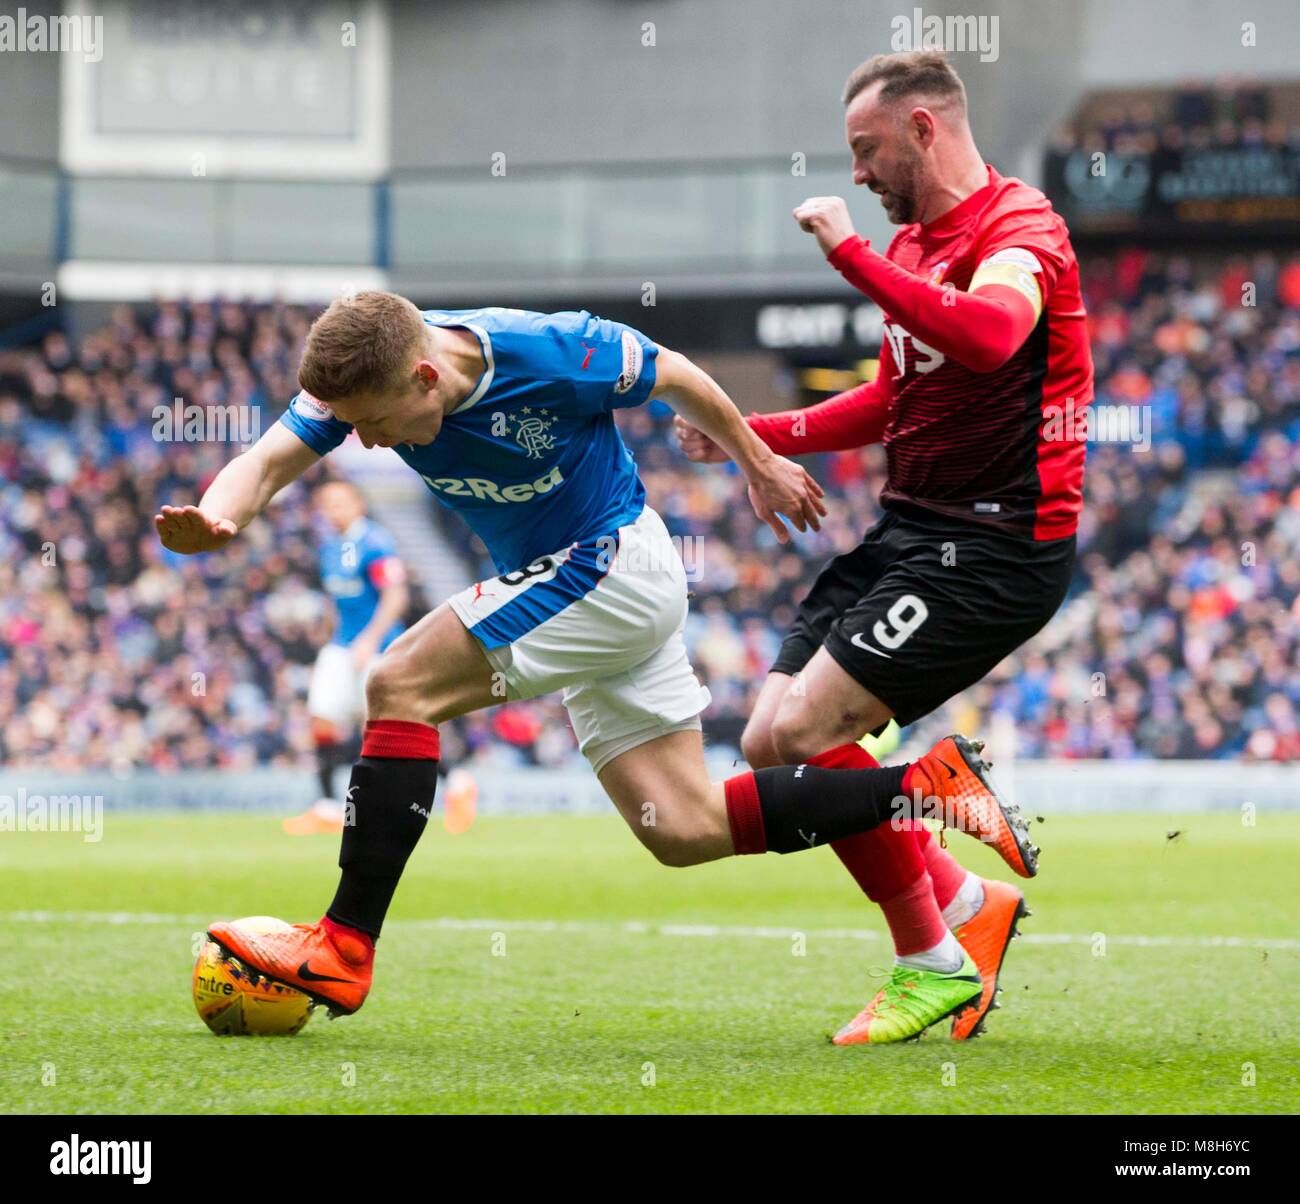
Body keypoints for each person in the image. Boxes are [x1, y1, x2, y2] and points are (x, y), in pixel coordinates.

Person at [155, 292, 1033, 1039]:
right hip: (583, 588)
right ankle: (921, 787)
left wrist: (759, 462)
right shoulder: (369, 378)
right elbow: (268, 460)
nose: (372, 445)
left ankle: (345, 946)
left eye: (376, 426)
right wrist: (217, 514)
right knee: (682, 829)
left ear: (425, 376)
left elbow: (676, 372)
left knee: (398, 682)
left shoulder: (546, 350)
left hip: (609, 563)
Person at [676, 49, 1089, 1043]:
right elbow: (894, 399)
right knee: (771, 741)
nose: (855, 175)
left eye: (866, 151)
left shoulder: (1018, 230)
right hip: (909, 531)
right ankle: (959, 902)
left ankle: (929, 957)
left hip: (997, 548)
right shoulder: (906, 253)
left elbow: (991, 336)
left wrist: (845, 254)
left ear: (922, 128)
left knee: (812, 729)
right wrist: (754, 432)